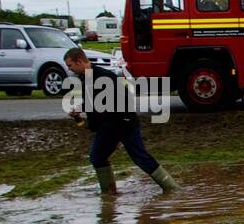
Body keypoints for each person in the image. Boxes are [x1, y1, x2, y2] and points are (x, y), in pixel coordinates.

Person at [64, 48, 179, 195]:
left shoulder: (104, 76)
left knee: (123, 157)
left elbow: (119, 101)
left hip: (119, 125)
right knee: (103, 157)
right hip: (116, 125)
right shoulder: (87, 77)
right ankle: (170, 188)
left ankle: (171, 188)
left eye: (70, 65)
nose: (70, 69)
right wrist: (80, 109)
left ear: (79, 61)